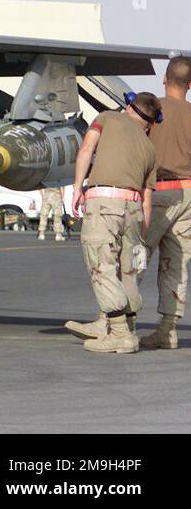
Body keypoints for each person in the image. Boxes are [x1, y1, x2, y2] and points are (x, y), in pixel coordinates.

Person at [63, 93, 160, 353]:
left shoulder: (106, 118)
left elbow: (85, 149)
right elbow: (147, 200)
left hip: (104, 203)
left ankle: (118, 334)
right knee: (126, 271)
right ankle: (125, 329)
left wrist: (76, 189)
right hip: (134, 208)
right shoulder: (150, 149)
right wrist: (142, 236)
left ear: (129, 107)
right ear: (151, 123)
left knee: (101, 265)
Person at [140, 57, 191, 349]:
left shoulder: (151, 110)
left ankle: (120, 323)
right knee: (176, 264)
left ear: (164, 79)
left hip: (157, 192)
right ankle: (168, 330)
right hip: (188, 195)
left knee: (135, 256)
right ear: (190, 85)